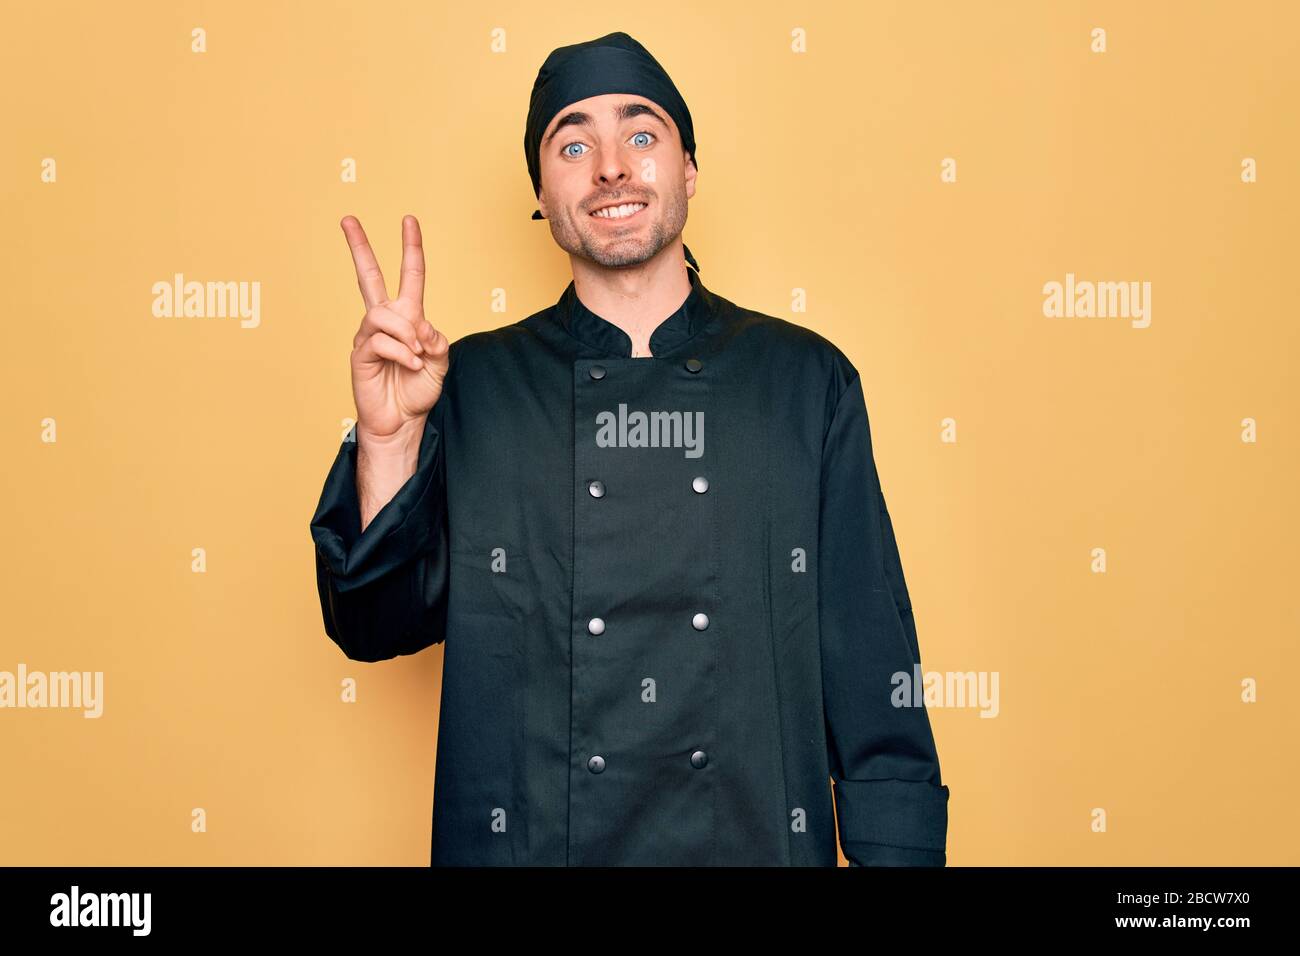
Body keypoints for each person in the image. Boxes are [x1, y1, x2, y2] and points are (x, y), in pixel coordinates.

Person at [309, 31, 950, 866]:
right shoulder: (469, 387)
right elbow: (373, 626)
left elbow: (870, 660)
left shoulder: (805, 383)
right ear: (542, 191)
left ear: (689, 170)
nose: (610, 166)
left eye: (641, 135)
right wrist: (390, 442)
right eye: (572, 144)